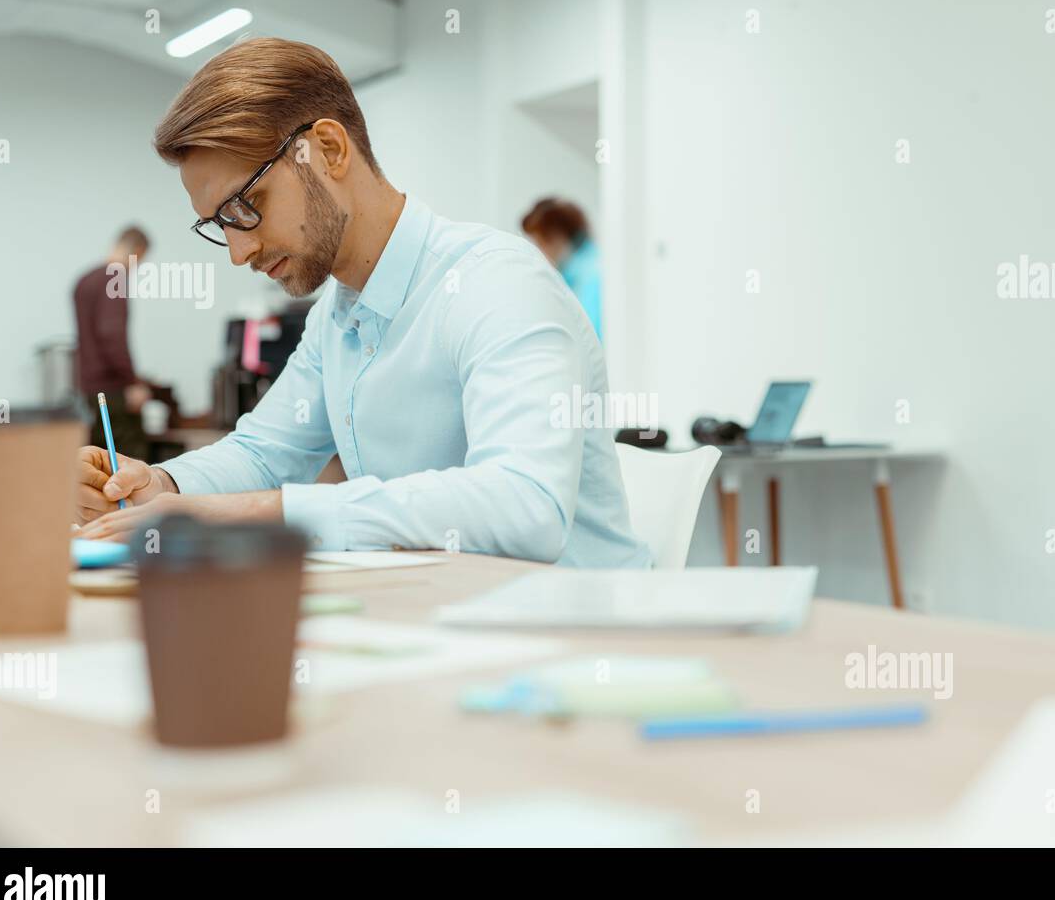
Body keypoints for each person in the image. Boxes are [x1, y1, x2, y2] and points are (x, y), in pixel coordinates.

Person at [75, 38, 649, 568]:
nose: (238, 250)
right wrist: (159, 487)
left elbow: (527, 505)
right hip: (454, 627)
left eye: (246, 206)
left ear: (327, 148)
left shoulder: (495, 282)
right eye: (218, 225)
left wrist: (253, 512)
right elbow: (263, 453)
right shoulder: (338, 314)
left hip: (584, 644)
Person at [72, 226, 153, 461]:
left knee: (99, 464)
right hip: (114, 392)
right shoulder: (114, 277)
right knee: (131, 465)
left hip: (89, 390)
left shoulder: (84, 280)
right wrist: (133, 382)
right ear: (137, 251)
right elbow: (111, 335)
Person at [521, 198, 602, 339]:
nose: (539, 251)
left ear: (557, 236)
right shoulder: (572, 274)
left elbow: (589, 338)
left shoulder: (593, 276)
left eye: (541, 242)